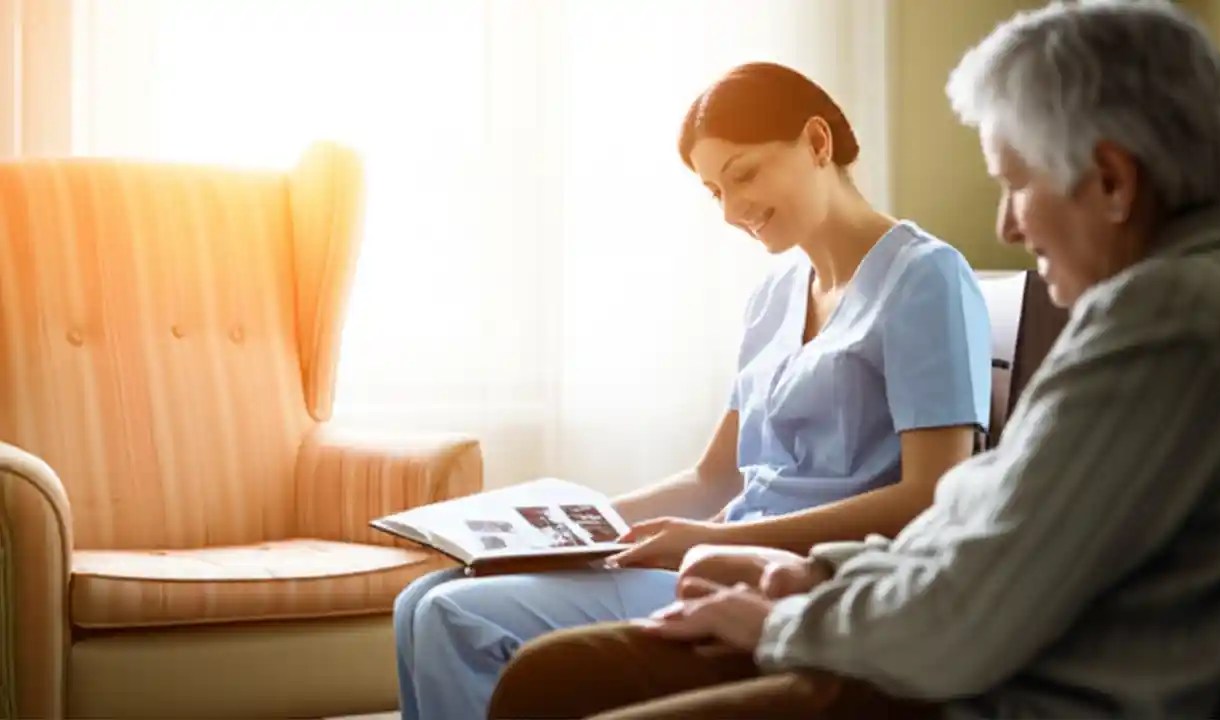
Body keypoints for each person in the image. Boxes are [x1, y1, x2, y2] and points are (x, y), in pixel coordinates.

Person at [487, 2, 1220, 719]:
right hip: (941, 647)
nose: (1005, 226)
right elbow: (988, 527)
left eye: (1016, 183)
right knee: (553, 677)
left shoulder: (1169, 328)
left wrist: (788, 617)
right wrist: (822, 574)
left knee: (555, 687)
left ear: (1111, 180)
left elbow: (970, 615)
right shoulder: (1148, 309)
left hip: (993, 694)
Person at [393, 61, 993, 720]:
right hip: (718, 553)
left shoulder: (926, 278)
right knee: (419, 600)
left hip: (793, 578)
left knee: (455, 616)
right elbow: (715, 478)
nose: (733, 211)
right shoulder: (773, 297)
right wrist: (554, 534)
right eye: (715, 191)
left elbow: (930, 495)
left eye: (744, 174)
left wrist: (715, 542)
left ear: (817, 144)